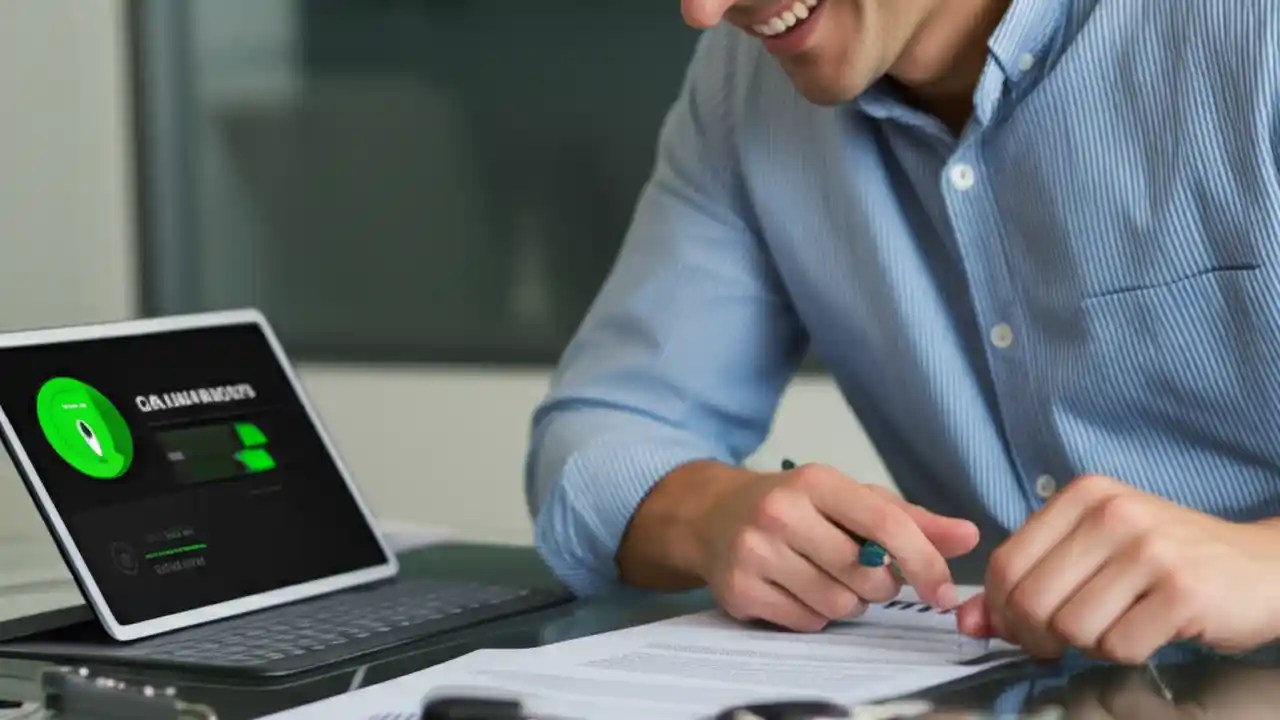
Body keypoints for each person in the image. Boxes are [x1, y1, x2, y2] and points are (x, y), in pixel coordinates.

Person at [525, 0, 1280, 664]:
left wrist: (1264, 564)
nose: (703, 8)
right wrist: (713, 514)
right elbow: (600, 432)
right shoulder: (738, 90)